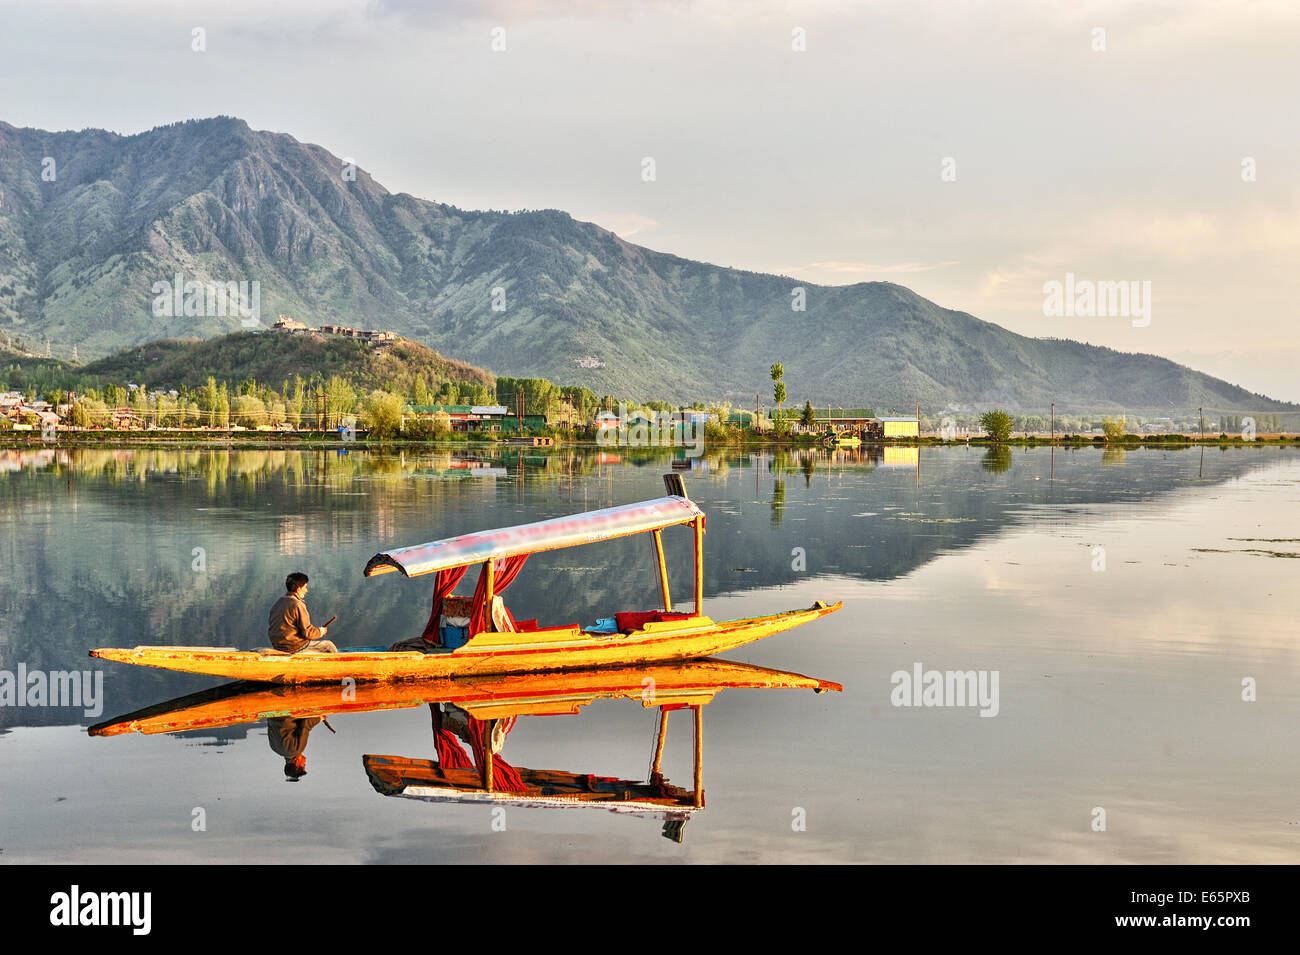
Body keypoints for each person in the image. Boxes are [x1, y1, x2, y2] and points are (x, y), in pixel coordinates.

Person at [268, 572, 338, 653]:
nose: (306, 590)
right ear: (298, 589)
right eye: (305, 587)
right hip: (293, 646)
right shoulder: (298, 604)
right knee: (328, 645)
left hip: (277, 645)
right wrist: (321, 631)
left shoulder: (278, 603)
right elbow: (307, 633)